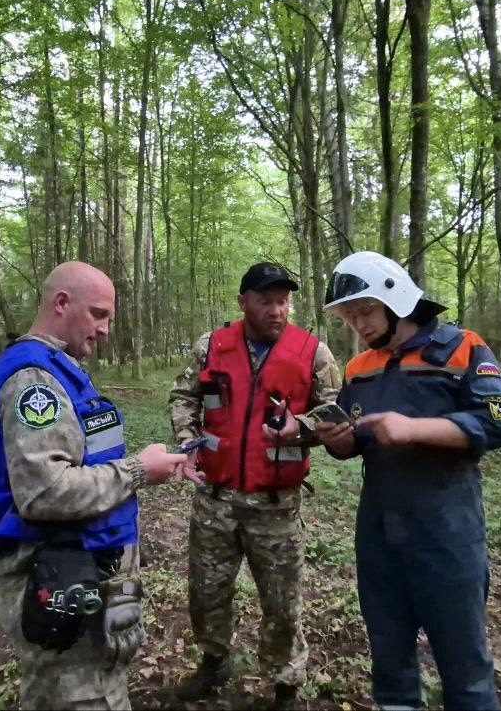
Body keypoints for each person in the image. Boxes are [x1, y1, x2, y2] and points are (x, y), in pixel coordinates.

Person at [0, 261, 196, 710]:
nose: (106, 329)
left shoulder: (59, 366)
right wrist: (137, 471)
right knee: (84, 696)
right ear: (62, 303)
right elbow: (44, 491)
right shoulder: (36, 380)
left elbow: (78, 456)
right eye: (99, 314)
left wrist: (145, 462)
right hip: (56, 570)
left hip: (80, 563)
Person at [314, 251, 501, 711]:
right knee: (389, 658)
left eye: (365, 311)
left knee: (464, 665)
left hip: (447, 532)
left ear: (396, 297)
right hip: (380, 532)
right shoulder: (359, 367)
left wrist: (413, 428)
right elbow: (353, 443)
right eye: (350, 317)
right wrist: (337, 439)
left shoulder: (461, 347)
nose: (360, 325)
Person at [168, 261, 342, 708]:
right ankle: (214, 660)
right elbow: (184, 395)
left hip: (275, 504)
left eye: (283, 301)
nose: (277, 310)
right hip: (215, 497)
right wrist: (187, 440)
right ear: (243, 301)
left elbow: (338, 412)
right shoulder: (213, 346)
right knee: (206, 592)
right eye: (265, 301)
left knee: (282, 604)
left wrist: (300, 427)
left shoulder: (312, 352)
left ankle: (285, 683)